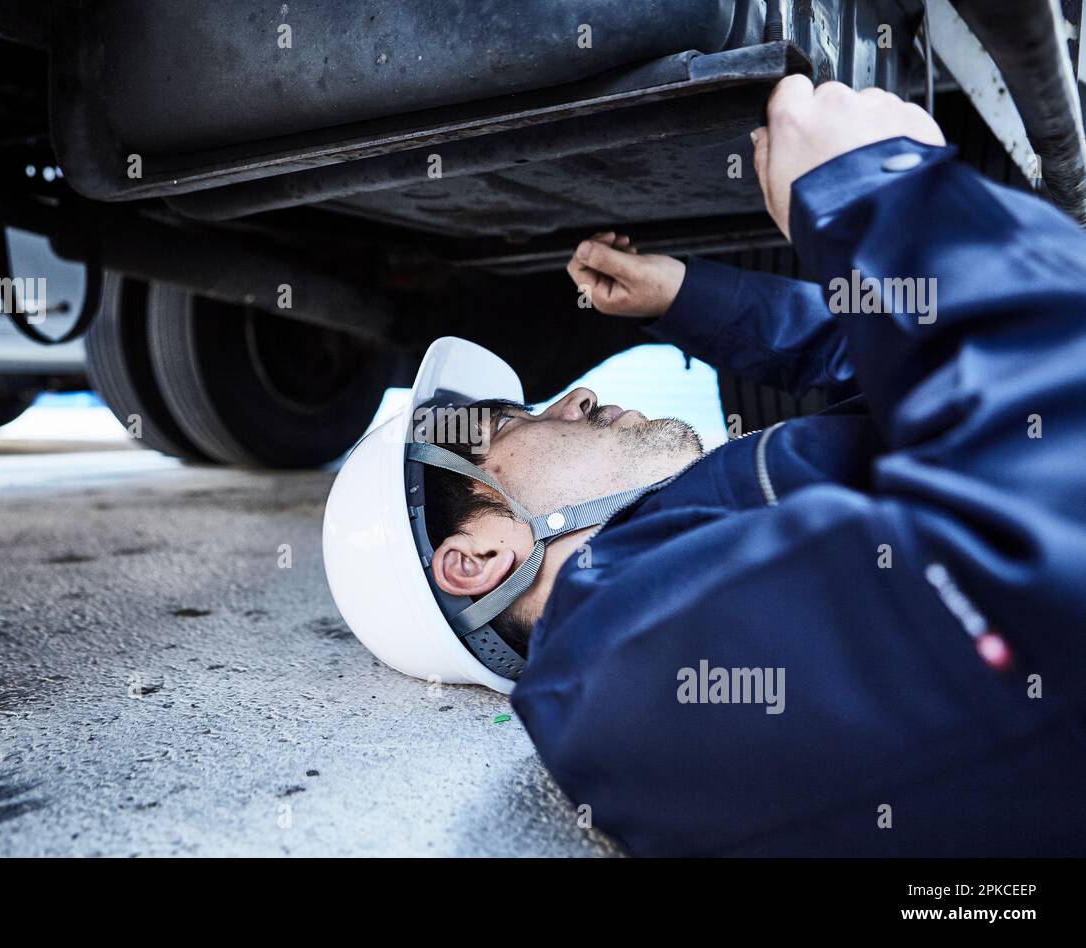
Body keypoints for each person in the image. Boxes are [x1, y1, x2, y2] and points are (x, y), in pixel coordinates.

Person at [322, 75, 1086, 855]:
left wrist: (691, 299)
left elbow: (897, 383)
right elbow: (1030, 579)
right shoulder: (624, 679)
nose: (576, 397)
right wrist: (882, 198)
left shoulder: (683, 559)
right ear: (479, 558)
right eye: (512, 423)